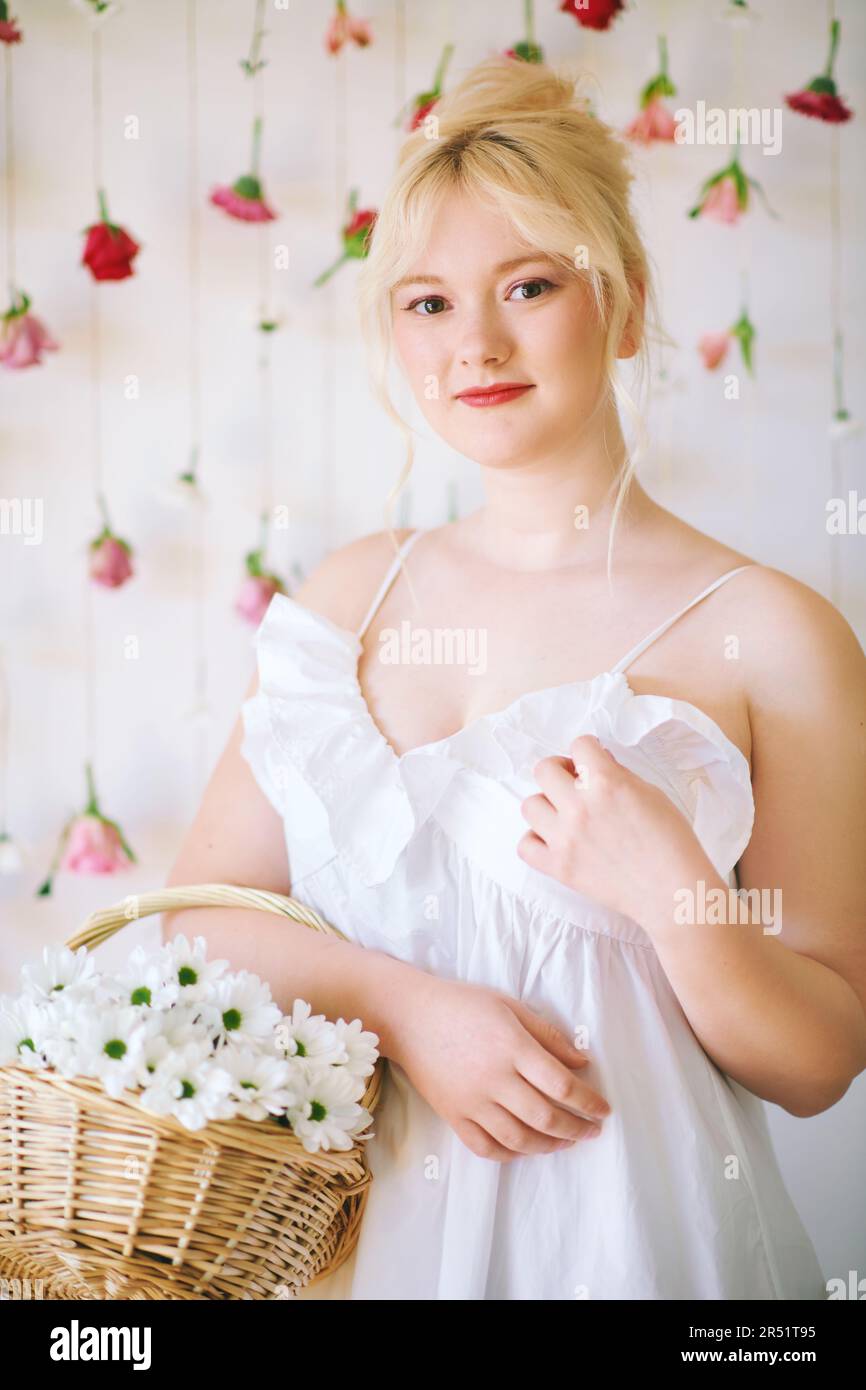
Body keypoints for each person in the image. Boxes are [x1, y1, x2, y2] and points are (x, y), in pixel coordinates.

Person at [162, 57, 866, 1299]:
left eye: (527, 286)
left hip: (639, 1260)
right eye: (427, 304)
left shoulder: (771, 631)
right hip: (356, 1263)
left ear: (626, 304)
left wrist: (674, 895)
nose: (474, 343)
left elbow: (818, 1061)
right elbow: (197, 926)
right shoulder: (349, 598)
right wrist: (403, 1007)